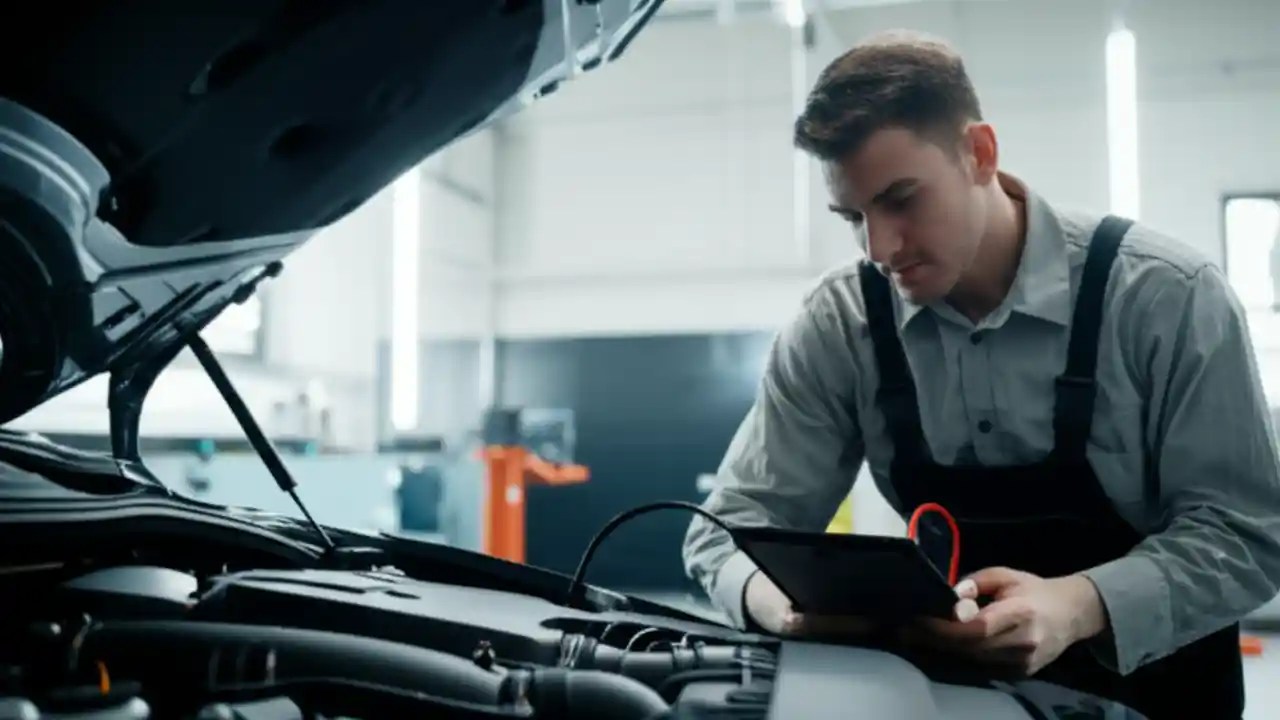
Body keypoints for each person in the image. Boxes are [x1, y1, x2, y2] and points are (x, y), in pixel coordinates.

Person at [681, 29, 1280, 719]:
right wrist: (780, 604)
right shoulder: (838, 325)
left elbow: (1247, 536)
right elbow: (724, 531)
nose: (879, 248)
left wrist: (1080, 606)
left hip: (1162, 697)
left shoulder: (1169, 299)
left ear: (979, 153)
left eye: (902, 199)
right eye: (853, 216)